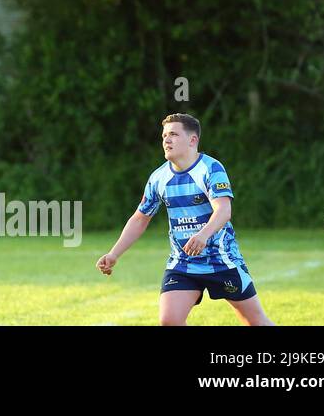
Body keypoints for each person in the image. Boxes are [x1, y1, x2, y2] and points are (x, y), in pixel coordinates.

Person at [96, 113, 275, 326]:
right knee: (170, 320)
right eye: (164, 136)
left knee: (255, 322)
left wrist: (203, 235)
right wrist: (114, 253)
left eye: (173, 134)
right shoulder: (158, 177)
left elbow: (223, 210)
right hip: (183, 263)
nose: (166, 140)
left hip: (221, 260)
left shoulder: (210, 168)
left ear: (193, 140)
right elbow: (140, 219)